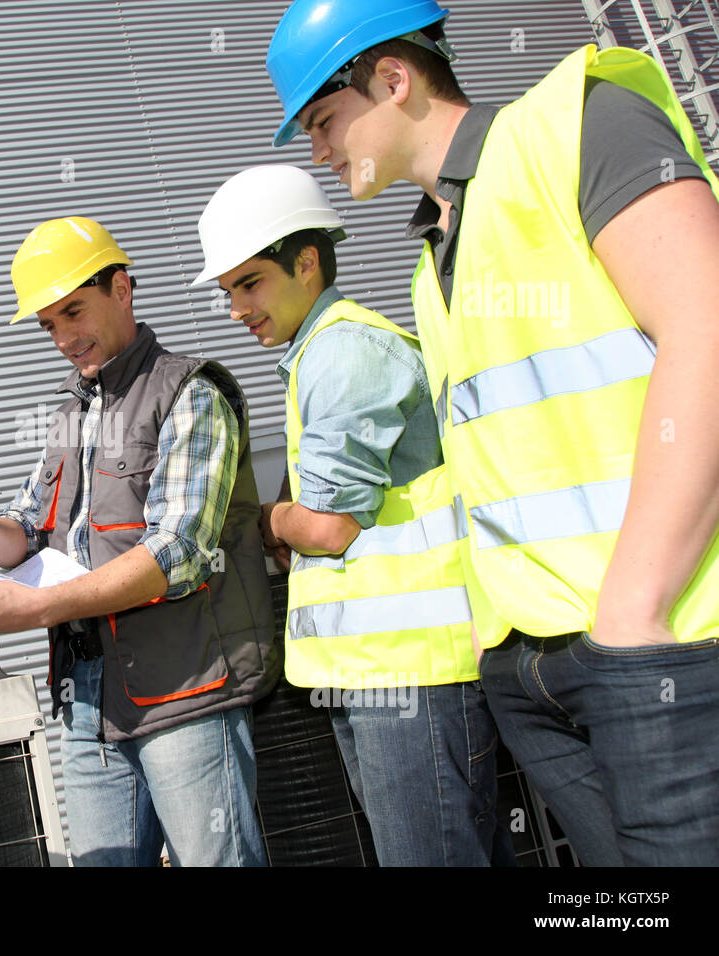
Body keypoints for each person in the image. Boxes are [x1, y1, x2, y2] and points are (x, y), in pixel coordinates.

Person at [265, 0, 719, 864]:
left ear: (392, 80)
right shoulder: (434, 264)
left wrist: (633, 608)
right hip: (533, 667)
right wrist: (496, 639)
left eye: (323, 121)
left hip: (664, 643)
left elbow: (710, 328)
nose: (320, 153)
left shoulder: (579, 123)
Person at [0, 217, 280, 866]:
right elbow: (28, 525)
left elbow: (179, 555)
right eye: (49, 323)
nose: (63, 337)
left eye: (74, 311)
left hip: (183, 693)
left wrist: (35, 609)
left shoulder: (190, 394)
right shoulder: (70, 413)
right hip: (87, 701)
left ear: (123, 289)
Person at [194, 163, 508, 866]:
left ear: (306, 262)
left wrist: (269, 521)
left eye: (249, 283)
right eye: (228, 292)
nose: (238, 307)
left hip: (412, 672)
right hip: (375, 669)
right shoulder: (318, 354)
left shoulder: (342, 352)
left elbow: (329, 526)